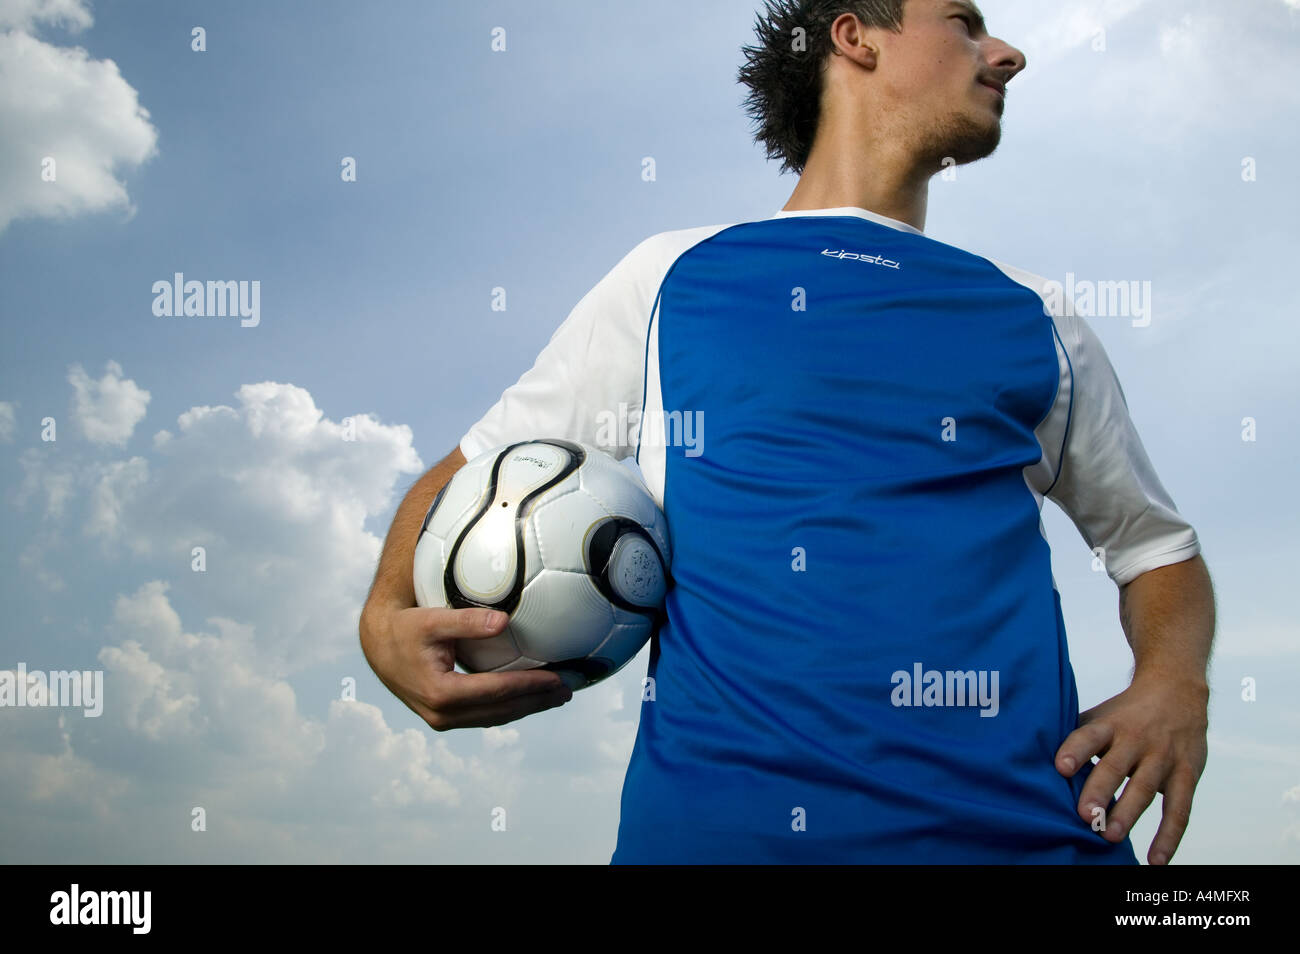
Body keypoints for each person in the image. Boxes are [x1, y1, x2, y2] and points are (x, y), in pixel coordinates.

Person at [360, 0, 1215, 864]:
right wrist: (383, 615)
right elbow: (480, 467)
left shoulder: (1036, 313)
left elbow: (1154, 547)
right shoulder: (671, 275)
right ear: (856, 38)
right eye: (963, 21)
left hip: (1027, 842)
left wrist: (1175, 684)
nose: (1008, 53)